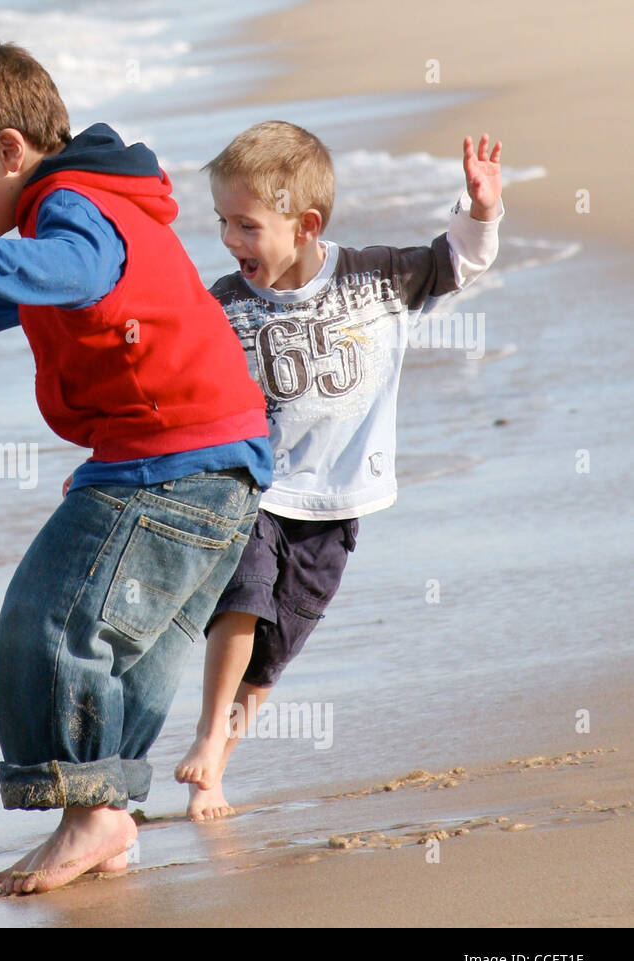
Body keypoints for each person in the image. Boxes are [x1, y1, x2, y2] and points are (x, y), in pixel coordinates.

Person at [0, 35, 272, 893]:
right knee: (130, 649)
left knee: (50, 620)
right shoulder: (84, 202)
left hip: (172, 460)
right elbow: (28, 286)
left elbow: (65, 268)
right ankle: (106, 818)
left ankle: (94, 810)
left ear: (10, 152)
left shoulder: (72, 208)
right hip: (212, 462)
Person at [174, 121, 503, 820]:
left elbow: (460, 262)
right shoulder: (223, 303)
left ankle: (216, 772)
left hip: (338, 501)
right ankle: (206, 734)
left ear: (306, 224)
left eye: (246, 225)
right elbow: (175, 387)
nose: (230, 241)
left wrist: (480, 210)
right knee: (243, 597)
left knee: (272, 656)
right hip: (254, 487)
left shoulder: (375, 276)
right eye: (221, 222)